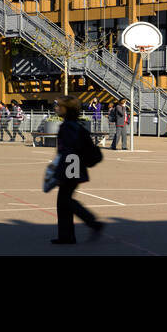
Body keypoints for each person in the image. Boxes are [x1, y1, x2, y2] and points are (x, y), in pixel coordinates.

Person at [49, 96, 104, 245]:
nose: (56, 108)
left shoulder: (68, 127)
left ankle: (92, 222)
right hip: (72, 166)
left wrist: (65, 173)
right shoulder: (73, 125)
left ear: (67, 109)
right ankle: (66, 236)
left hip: (71, 167)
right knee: (63, 202)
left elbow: (70, 151)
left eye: (59, 106)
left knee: (65, 200)